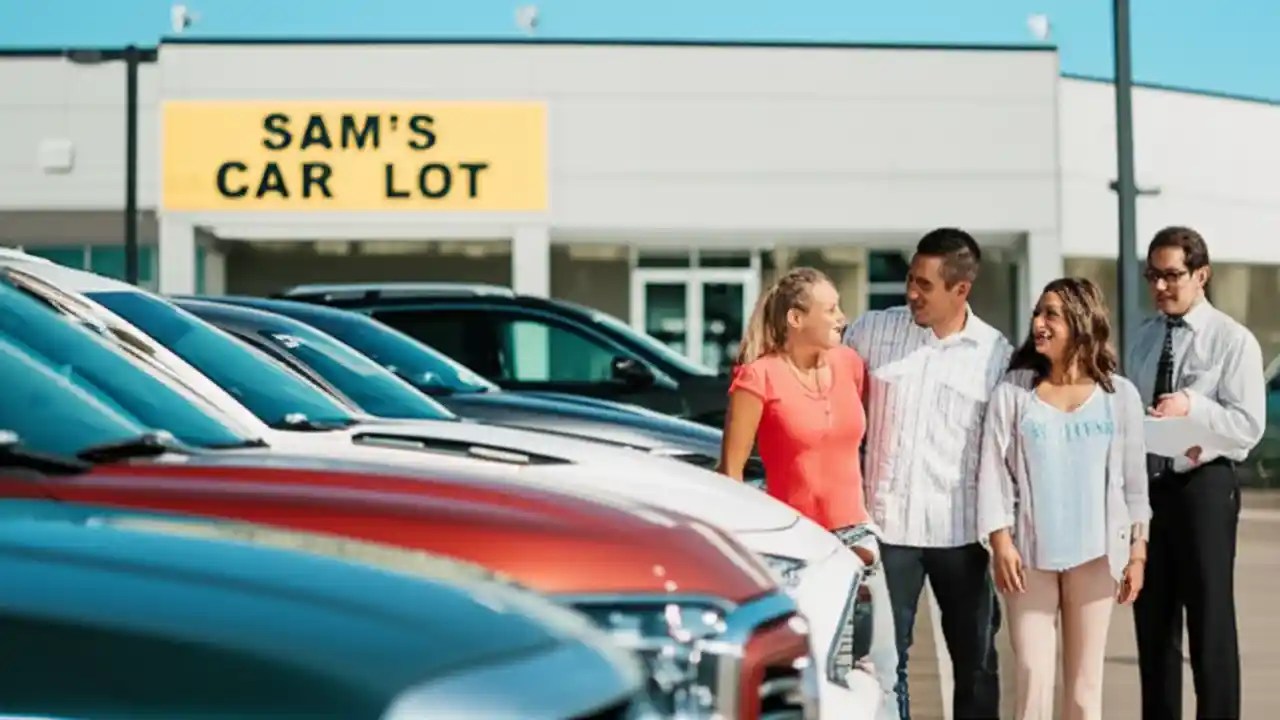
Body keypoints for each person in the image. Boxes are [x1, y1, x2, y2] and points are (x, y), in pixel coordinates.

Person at [843, 228, 1011, 720]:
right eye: (910, 280)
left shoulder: (994, 356)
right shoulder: (870, 333)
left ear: (961, 290)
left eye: (925, 284)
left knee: (976, 664)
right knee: (880, 663)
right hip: (886, 530)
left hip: (961, 534)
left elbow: (1003, 453)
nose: (911, 292)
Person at [717, 266, 899, 719]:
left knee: (881, 674)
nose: (842, 317)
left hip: (860, 543)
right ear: (797, 319)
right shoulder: (757, 378)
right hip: (796, 549)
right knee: (810, 677)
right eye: (830, 309)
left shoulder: (850, 366)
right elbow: (730, 475)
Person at [977, 277, 1151, 720]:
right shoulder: (1013, 393)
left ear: (1081, 319)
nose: (1039, 323)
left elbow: (1134, 482)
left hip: (1097, 557)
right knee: (1033, 675)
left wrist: (1137, 552)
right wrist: (1000, 542)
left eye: (1051, 313)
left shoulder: (1119, 396)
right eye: (1038, 313)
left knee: (1084, 688)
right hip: (1029, 559)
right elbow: (992, 474)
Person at [1129, 226, 1266, 720]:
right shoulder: (1144, 338)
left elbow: (1247, 427)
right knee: (1153, 624)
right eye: (1153, 276)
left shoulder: (1234, 342)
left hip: (1204, 488)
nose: (1160, 287)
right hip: (1151, 489)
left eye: (1172, 276)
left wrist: (1194, 407)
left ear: (1201, 275)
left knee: (1209, 624)